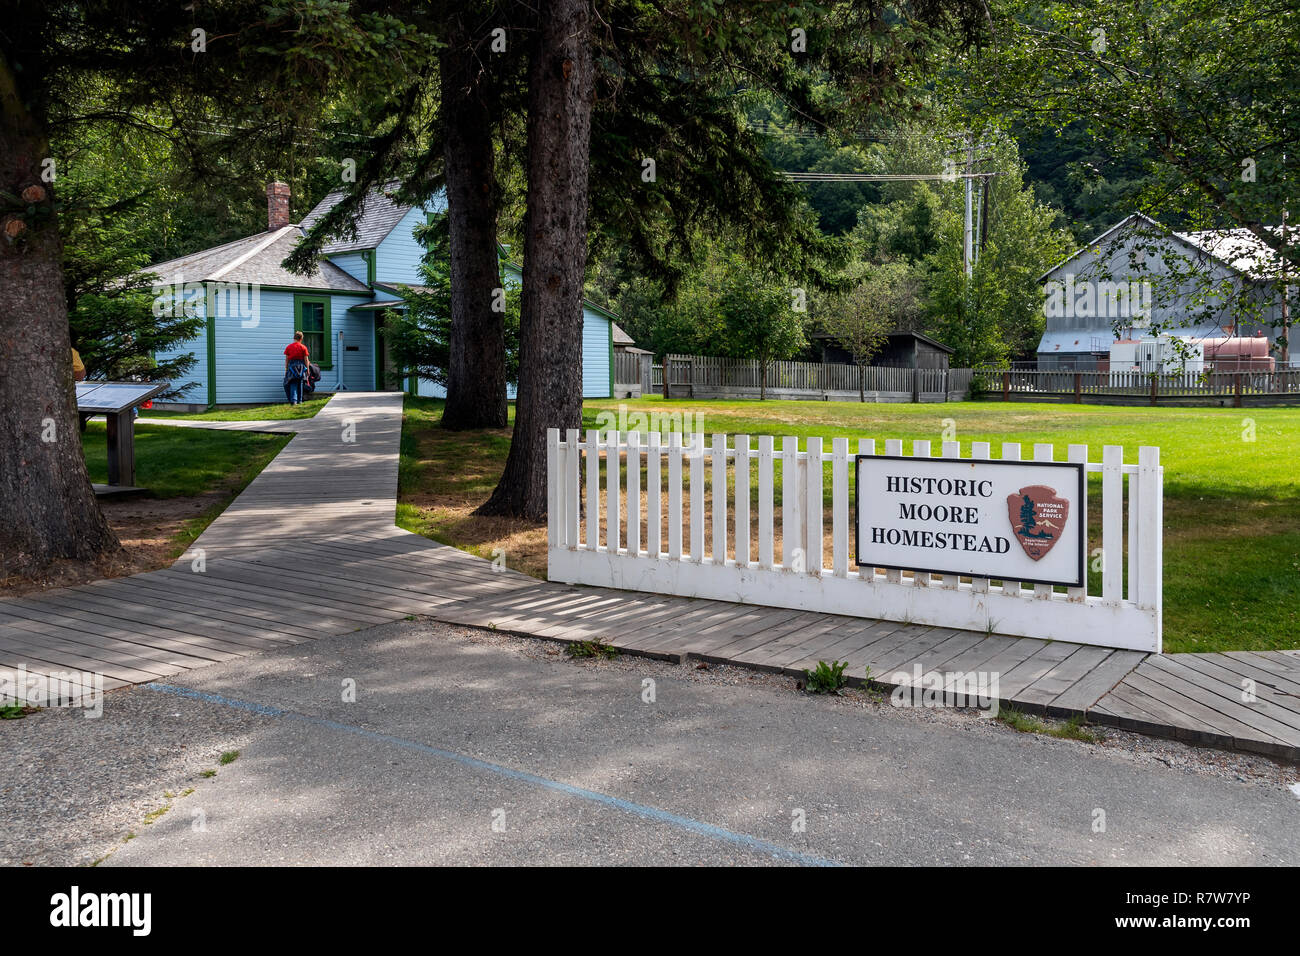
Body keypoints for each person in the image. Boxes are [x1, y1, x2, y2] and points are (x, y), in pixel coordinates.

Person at [283, 331, 310, 405]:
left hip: (292, 367)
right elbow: (306, 360)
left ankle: (294, 401)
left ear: (294, 338)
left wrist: (286, 369)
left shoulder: (289, 347)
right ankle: (300, 401)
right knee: (300, 383)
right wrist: (307, 370)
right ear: (301, 338)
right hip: (301, 366)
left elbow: (287, 360)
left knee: (292, 383)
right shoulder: (303, 347)